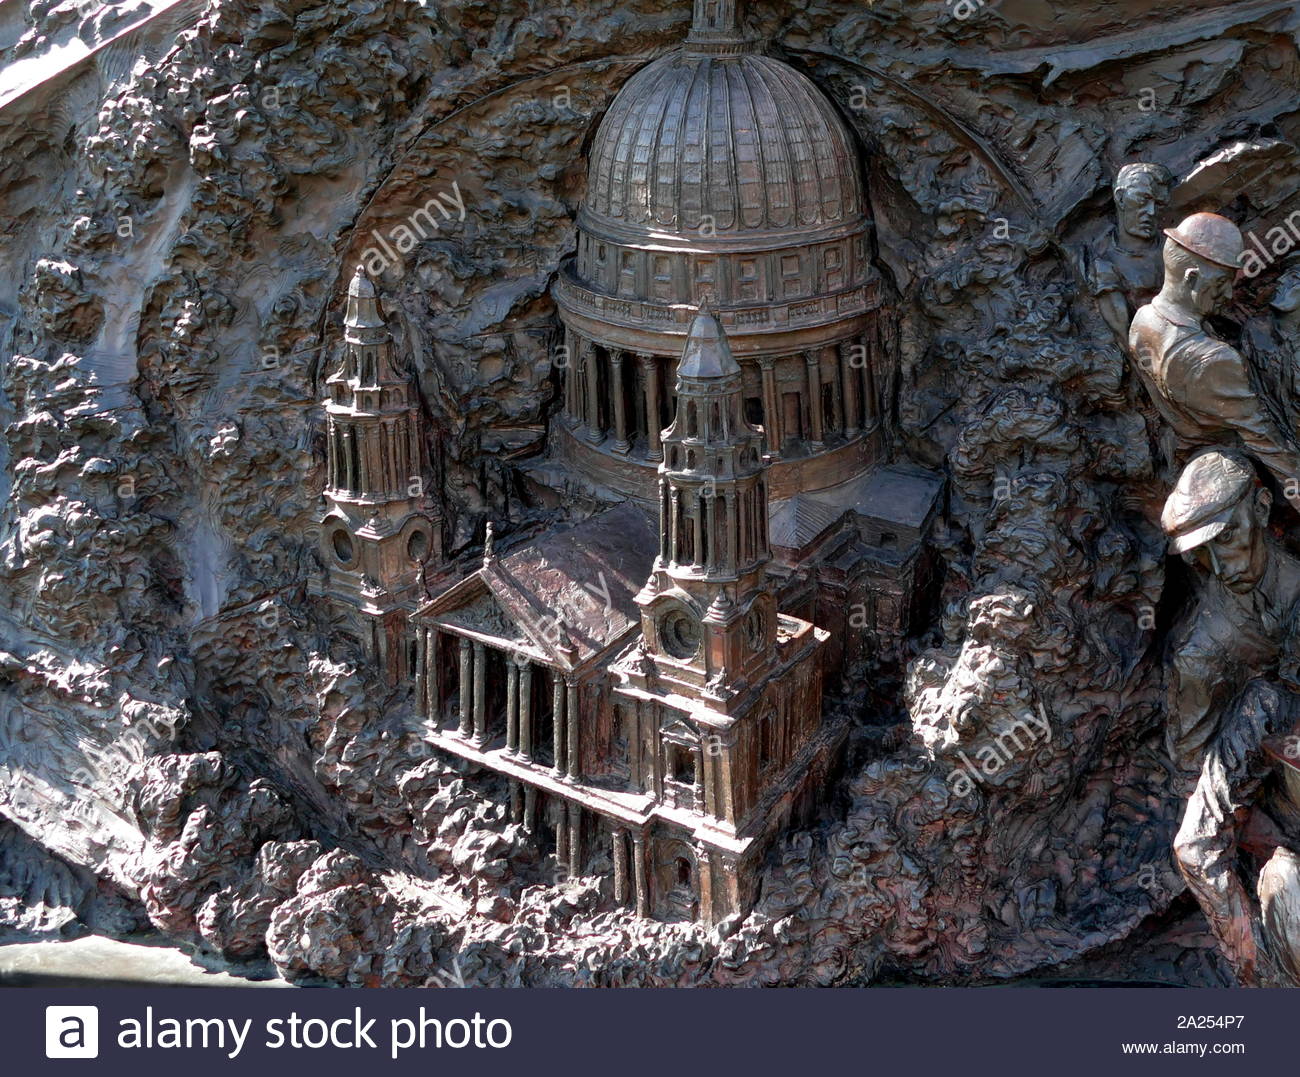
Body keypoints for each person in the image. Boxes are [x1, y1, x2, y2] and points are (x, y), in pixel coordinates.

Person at [1131, 214, 1300, 510]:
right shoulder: (1213, 361)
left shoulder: (1144, 319)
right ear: (1191, 277)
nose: (1228, 294)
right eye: (1221, 283)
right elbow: (1269, 446)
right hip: (1244, 470)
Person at [1161, 450, 1300, 778]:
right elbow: (1189, 761)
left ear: (1262, 507)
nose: (1221, 568)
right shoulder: (1198, 654)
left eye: (1225, 537)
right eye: (1202, 551)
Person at [1085, 162, 1172, 343]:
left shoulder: (1173, 252)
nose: (1151, 211)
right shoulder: (1102, 263)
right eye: (1142, 199)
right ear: (1121, 198)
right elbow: (1125, 336)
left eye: (1159, 204)